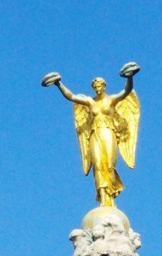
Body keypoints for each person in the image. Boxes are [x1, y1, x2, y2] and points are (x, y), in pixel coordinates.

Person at [42, 64, 140, 207]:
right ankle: (102, 197)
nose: (97, 88)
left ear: (104, 86)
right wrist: (58, 84)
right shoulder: (90, 101)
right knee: (98, 164)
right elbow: (71, 96)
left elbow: (127, 91)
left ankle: (110, 197)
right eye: (95, 87)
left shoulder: (111, 100)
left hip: (108, 132)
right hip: (95, 134)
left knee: (108, 164)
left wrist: (130, 77)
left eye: (99, 86)